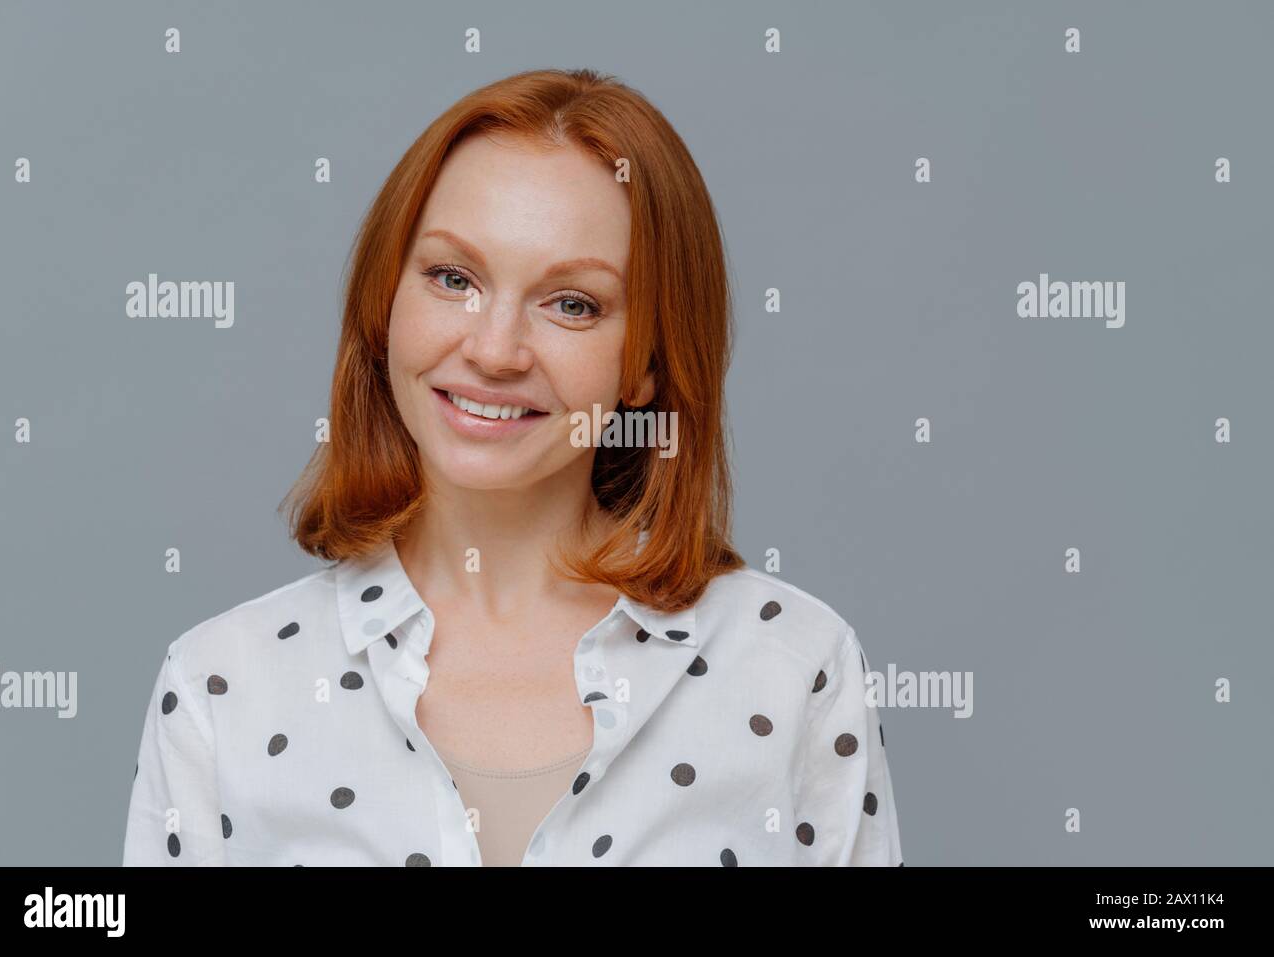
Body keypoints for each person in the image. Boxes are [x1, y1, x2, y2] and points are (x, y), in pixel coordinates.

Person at [122, 67, 903, 867]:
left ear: (648, 366)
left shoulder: (795, 667)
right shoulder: (221, 687)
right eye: (452, 278)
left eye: (572, 303)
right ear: (385, 303)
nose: (494, 351)